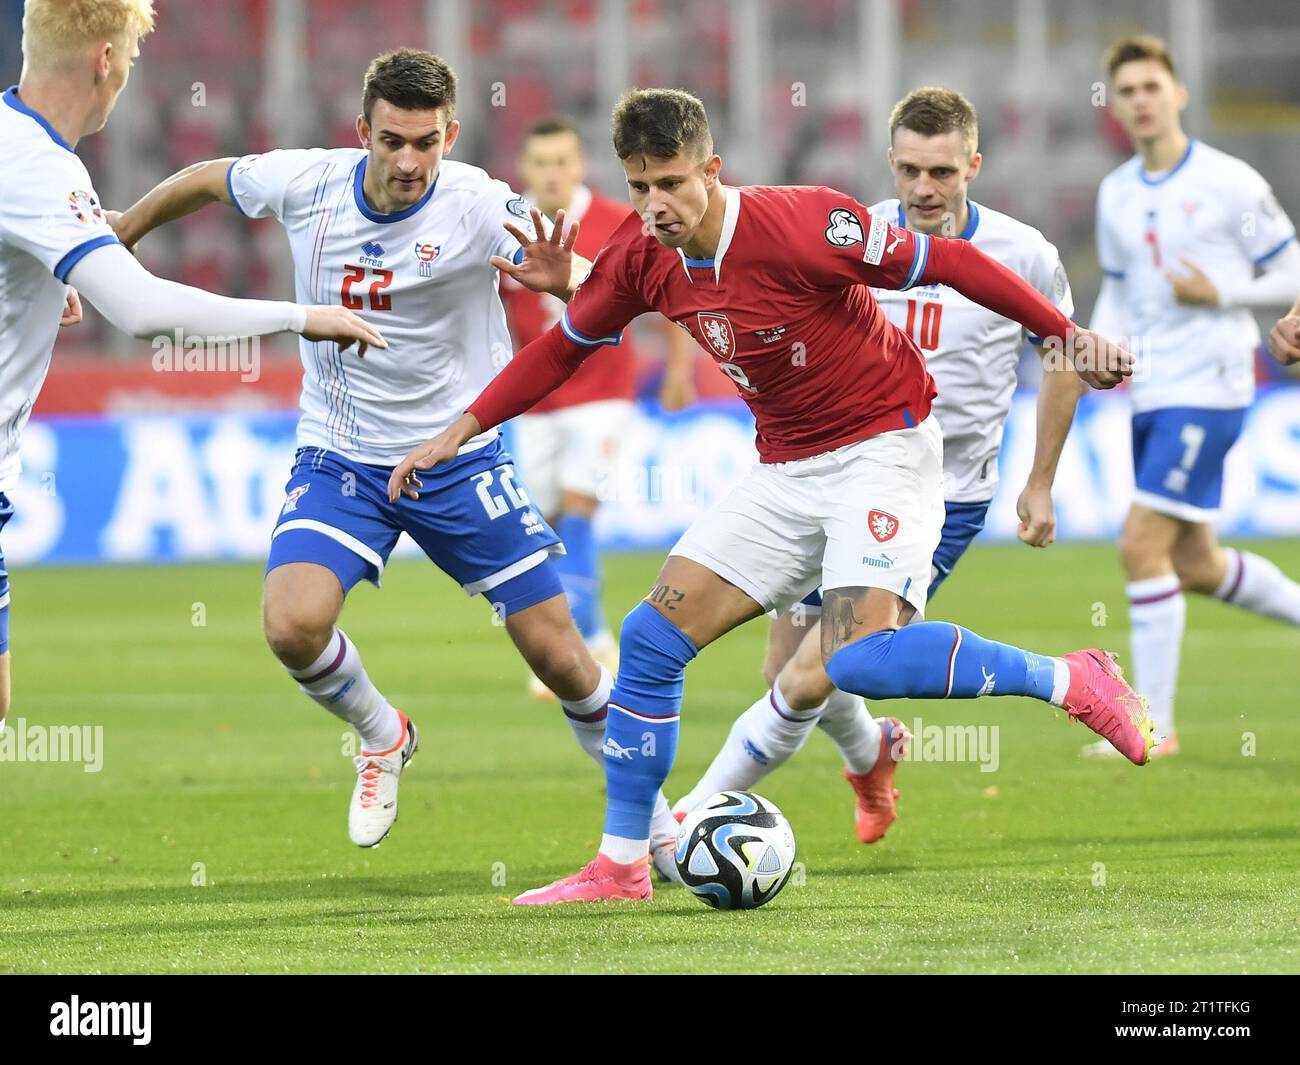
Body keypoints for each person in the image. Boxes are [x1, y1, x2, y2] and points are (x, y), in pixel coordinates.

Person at [389, 88, 1151, 906]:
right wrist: (458, 430)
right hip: (786, 469)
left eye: (672, 183)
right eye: (639, 186)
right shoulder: (642, 255)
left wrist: (1061, 335)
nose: (655, 205)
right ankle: (622, 863)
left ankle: (1072, 677)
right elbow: (561, 352)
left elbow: (954, 263)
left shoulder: (802, 222)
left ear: (712, 171)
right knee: (649, 638)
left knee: (858, 656)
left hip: (883, 452)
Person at [112, 49, 679, 850]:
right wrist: (125, 229)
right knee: (291, 624)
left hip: (458, 455)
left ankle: (657, 829)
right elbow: (211, 175)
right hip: (341, 455)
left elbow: (599, 290)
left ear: (450, 134)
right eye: (392, 141)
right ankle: (382, 733)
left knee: (562, 656)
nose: (409, 161)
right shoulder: (307, 182)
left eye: (426, 143)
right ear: (363, 133)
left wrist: (566, 279)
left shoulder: (479, 201)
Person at [668, 86, 1085, 866]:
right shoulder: (847, 232)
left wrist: (1040, 481)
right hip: (829, 474)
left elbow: (1059, 351)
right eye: (908, 170)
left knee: (806, 674)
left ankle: (682, 830)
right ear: (889, 162)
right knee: (790, 669)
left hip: (936, 490)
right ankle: (872, 751)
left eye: (941, 172)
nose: (923, 189)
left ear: (973, 165)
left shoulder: (1024, 252)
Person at [0, 0, 381, 737]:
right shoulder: (42, 168)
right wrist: (302, 317)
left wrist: (45, 284)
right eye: (132, 62)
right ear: (105, 61)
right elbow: (144, 310)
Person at [1088, 35, 1300, 757]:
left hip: (1211, 382)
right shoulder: (1115, 192)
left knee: (1141, 543)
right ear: (1115, 106)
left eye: (1152, 87)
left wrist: (1224, 294)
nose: (1141, 100)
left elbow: (1292, 268)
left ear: (1177, 93)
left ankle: (1154, 725)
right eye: (1127, 92)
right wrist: (1094, 345)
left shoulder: (1229, 182)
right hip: (1150, 389)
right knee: (1194, 563)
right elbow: (1117, 287)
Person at [501, 115, 698, 695]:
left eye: (562, 161)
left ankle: (581, 644)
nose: (552, 173)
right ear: (526, 169)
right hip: (534, 402)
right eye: (541, 163)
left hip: (604, 395)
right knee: (549, 523)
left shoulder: (619, 222)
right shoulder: (507, 227)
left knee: (580, 505)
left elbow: (670, 295)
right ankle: (593, 632)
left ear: (580, 165)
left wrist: (680, 371)